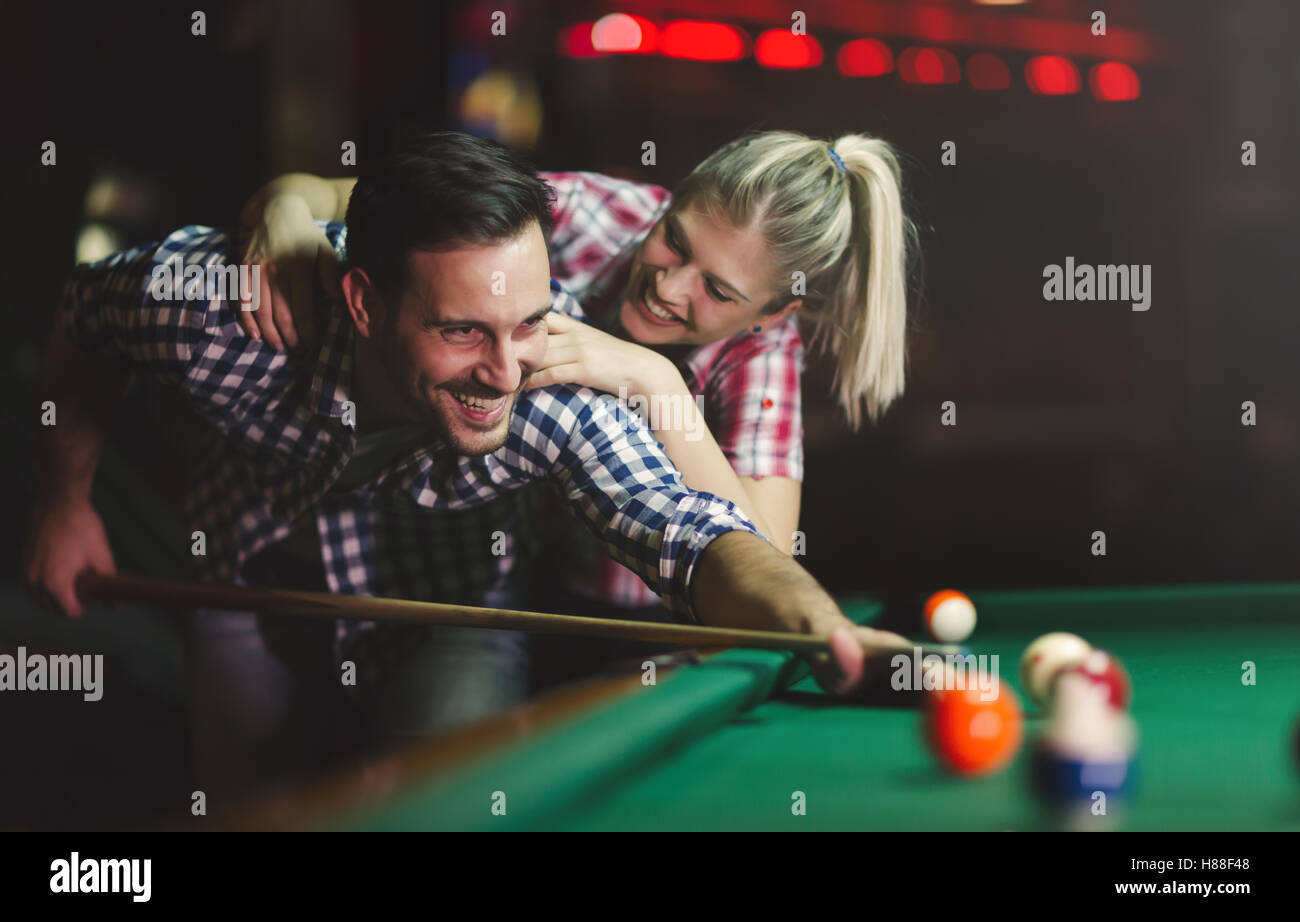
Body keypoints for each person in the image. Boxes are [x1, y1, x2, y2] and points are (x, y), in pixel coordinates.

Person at [23, 131, 906, 803]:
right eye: (460, 330)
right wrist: (63, 503)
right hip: (249, 578)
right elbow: (87, 308)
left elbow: (704, 536)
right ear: (362, 300)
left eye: (717, 291)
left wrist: (816, 625)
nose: (502, 372)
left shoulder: (555, 380)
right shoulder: (223, 309)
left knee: (453, 804)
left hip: (463, 604)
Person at [234, 130, 917, 629]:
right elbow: (327, 196)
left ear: (774, 313)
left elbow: (765, 559)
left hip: (642, 618)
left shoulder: (766, 358)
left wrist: (656, 384)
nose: (670, 286)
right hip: (484, 581)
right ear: (668, 200)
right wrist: (282, 211)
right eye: (674, 240)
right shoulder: (586, 210)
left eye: (716, 288)